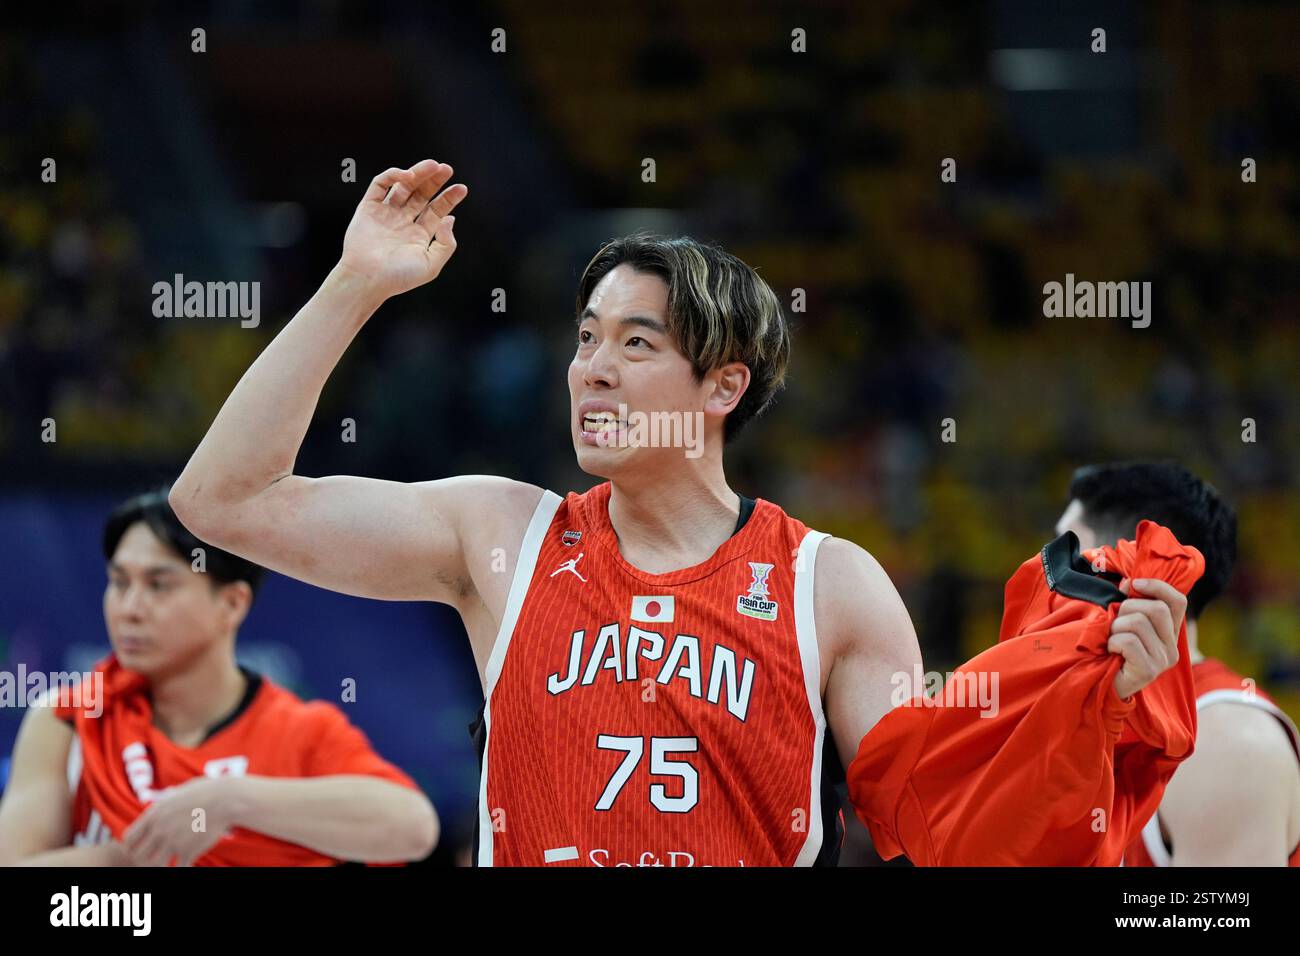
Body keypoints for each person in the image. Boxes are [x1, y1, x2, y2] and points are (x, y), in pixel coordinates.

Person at [168, 158, 1188, 866]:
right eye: (585, 338)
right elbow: (222, 501)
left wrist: (1096, 707)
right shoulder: (499, 534)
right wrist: (355, 284)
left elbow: (941, 822)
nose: (592, 369)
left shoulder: (827, 584)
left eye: (636, 344)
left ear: (722, 385)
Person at [0, 488, 437, 866]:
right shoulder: (69, 718)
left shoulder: (300, 731)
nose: (129, 608)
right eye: (119, 583)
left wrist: (230, 800)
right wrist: (142, 853)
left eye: (158, 585)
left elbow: (413, 827)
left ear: (231, 604)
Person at [1057, 461, 1300, 866]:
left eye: (1064, 555)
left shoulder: (1229, 744)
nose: (1043, 574)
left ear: (1134, 572)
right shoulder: (1071, 713)